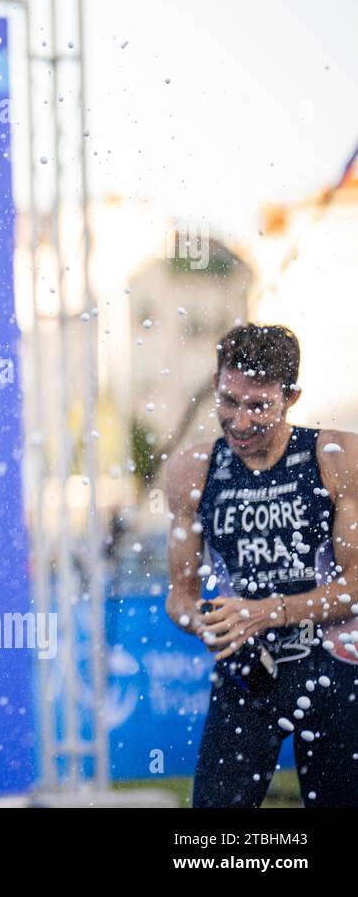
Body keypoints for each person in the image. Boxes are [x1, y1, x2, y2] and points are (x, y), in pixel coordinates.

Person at [165, 323, 358, 806]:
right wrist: (208, 624)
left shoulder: (336, 456)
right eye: (229, 401)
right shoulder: (193, 469)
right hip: (246, 670)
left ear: (290, 397)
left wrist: (270, 611)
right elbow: (180, 596)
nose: (240, 421)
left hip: (334, 668)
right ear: (216, 385)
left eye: (258, 406)